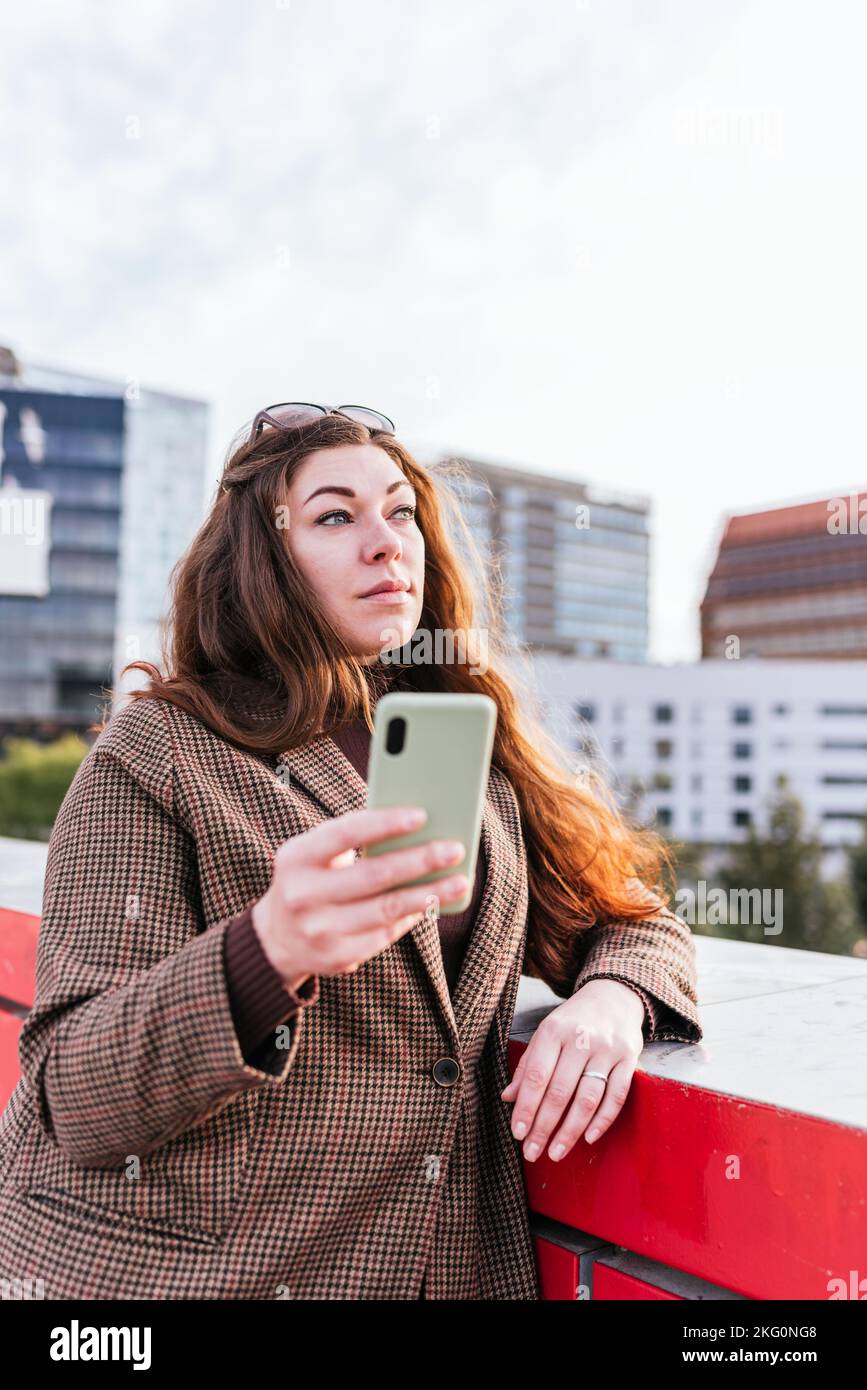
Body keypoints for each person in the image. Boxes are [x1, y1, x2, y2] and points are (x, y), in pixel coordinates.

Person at [0, 403, 702, 1300]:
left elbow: (630, 918)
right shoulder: (160, 751)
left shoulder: (467, 750)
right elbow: (75, 1091)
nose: (385, 541)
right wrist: (265, 954)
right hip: (187, 1276)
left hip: (438, 1266)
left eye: (400, 511)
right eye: (336, 516)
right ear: (265, 559)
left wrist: (612, 1000)